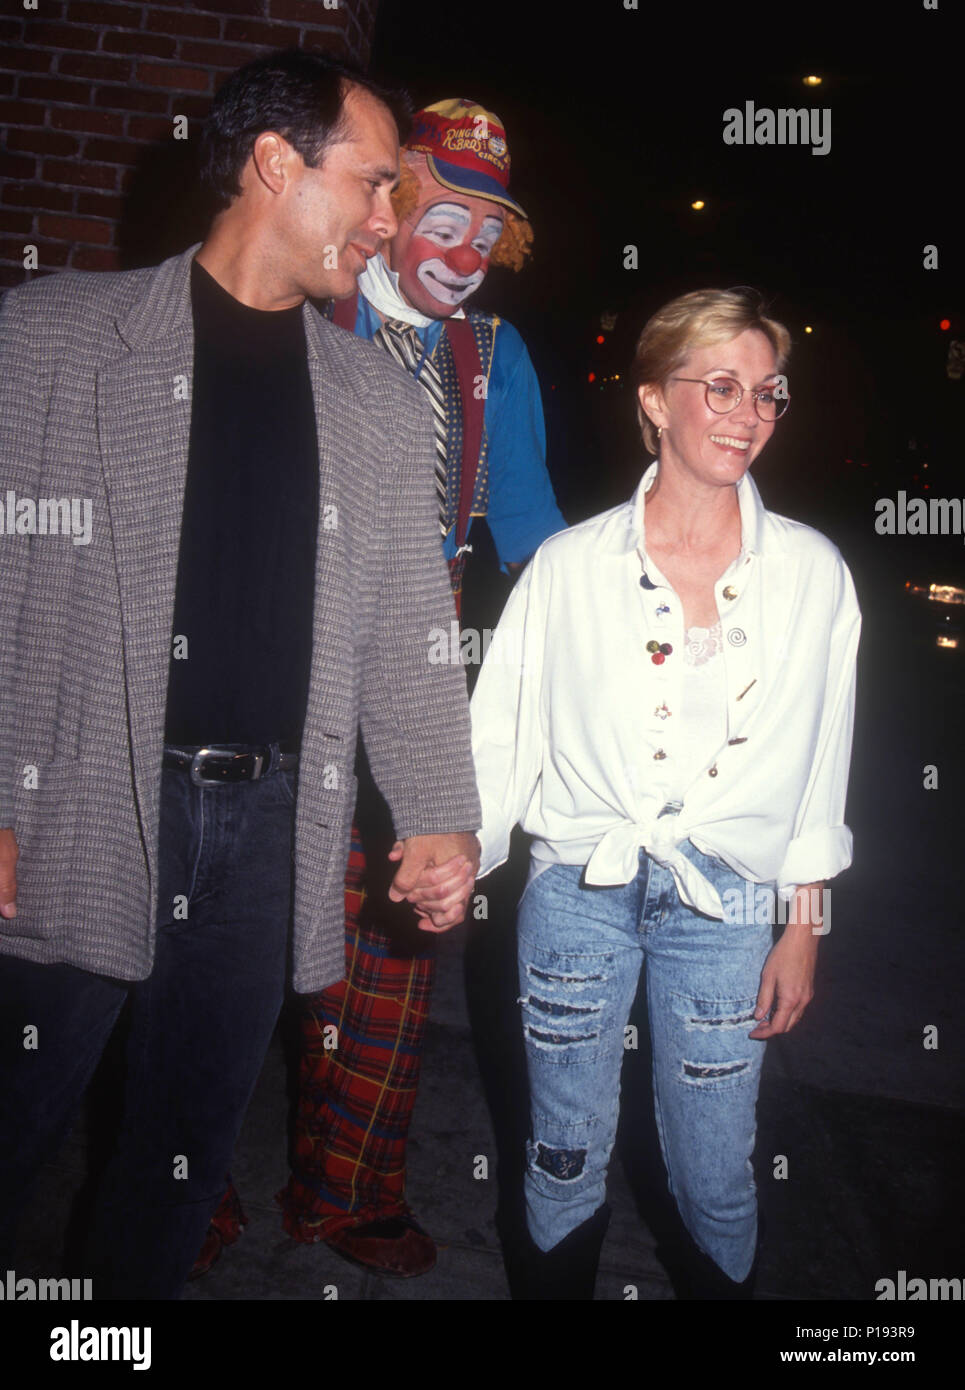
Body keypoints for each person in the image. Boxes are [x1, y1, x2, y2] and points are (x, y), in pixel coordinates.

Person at [0, 48, 481, 1301]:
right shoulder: (50, 337)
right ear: (276, 164)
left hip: (269, 829)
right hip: (78, 804)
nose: (389, 221)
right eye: (376, 185)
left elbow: (405, 628)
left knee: (174, 1161)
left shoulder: (373, 401)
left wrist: (436, 809)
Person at [417, 287, 861, 1298]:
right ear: (654, 400)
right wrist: (460, 854)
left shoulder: (809, 574)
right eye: (719, 386)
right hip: (577, 889)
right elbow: (501, 743)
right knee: (561, 1153)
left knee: (713, 1163)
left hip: (728, 904)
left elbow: (819, 768)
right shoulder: (569, 570)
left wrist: (804, 924)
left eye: (764, 392)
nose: (746, 413)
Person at [197, 98, 566, 1281]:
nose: (460, 258)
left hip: (412, 695)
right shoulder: (300, 310)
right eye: (439, 220)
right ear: (391, 203)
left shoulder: (494, 361)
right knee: (227, 940)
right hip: (268, 674)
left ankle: (346, 1189)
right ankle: (182, 1179)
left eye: (483, 236)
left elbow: (532, 535)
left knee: (398, 956)